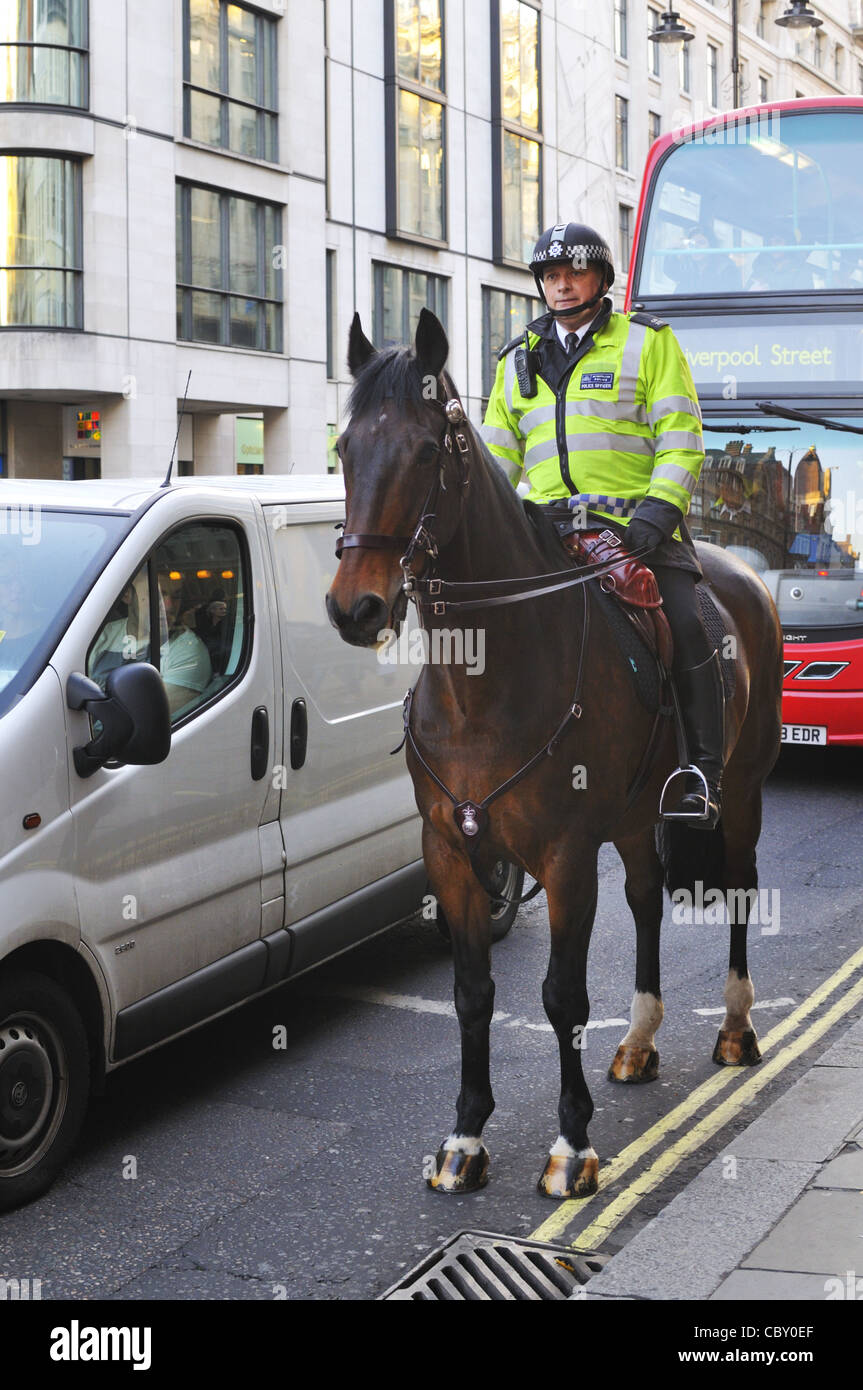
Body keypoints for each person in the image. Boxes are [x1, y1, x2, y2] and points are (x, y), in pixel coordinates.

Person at [481, 221, 724, 827]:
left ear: (602, 279)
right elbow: (494, 464)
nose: (561, 287)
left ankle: (702, 775)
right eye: (550, 276)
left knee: (691, 627)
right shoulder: (515, 363)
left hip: (636, 533)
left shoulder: (648, 342)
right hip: (547, 536)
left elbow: (681, 439)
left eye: (574, 273)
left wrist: (654, 521)